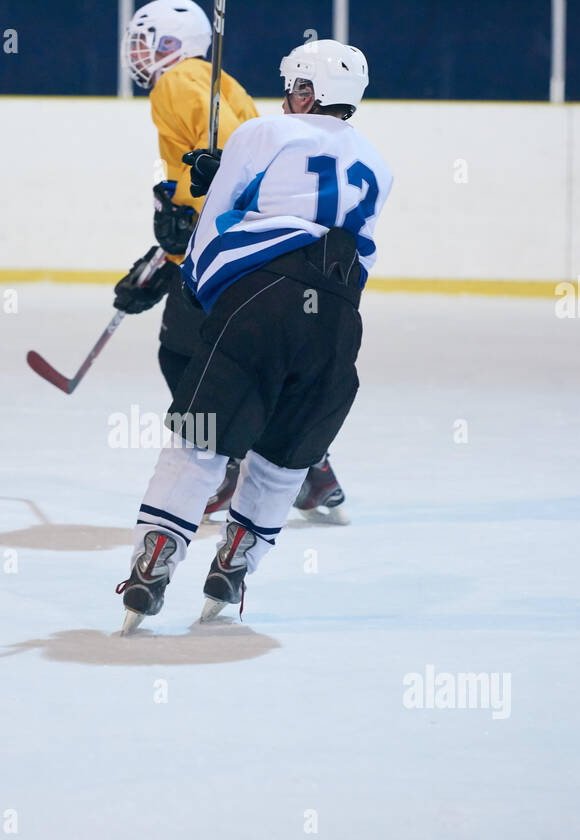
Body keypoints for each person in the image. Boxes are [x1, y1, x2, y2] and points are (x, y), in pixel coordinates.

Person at [117, 39, 393, 634]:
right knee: (285, 455)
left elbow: (211, 232)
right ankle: (237, 559)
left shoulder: (260, 134)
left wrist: (198, 281)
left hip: (261, 302)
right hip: (341, 322)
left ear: (309, 91)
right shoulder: (379, 163)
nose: (288, 95)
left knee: (200, 436)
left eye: (295, 85)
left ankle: (156, 555)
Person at [110, 0, 255, 517]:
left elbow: (221, 156)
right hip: (236, 239)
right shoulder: (221, 82)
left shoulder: (175, 84)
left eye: (151, 41)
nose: (140, 52)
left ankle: (228, 461)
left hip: (219, 244)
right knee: (230, 356)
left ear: (176, 44)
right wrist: (168, 250)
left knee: (181, 354)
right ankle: (312, 470)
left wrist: (186, 228)